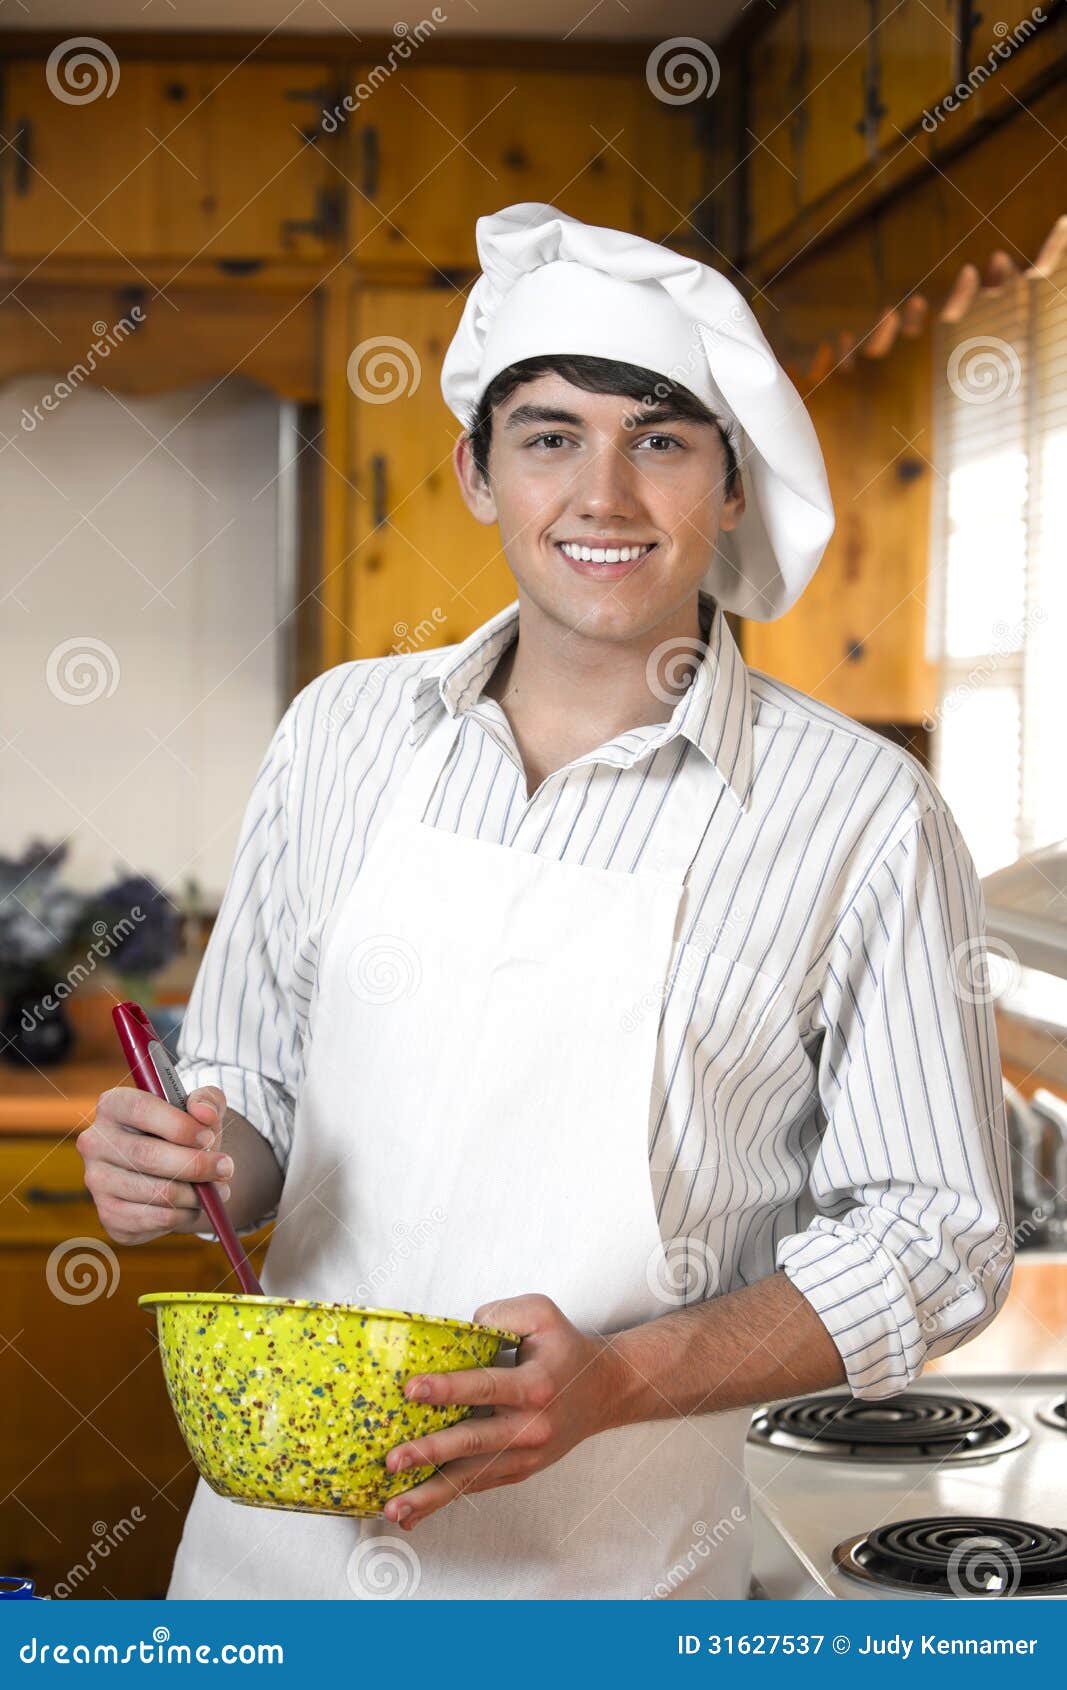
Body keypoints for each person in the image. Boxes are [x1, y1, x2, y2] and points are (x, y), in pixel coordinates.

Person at [80, 203, 1013, 1601]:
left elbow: (934, 1233)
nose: (605, 497)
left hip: (609, 1578)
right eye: (552, 435)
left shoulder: (864, 817)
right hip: (270, 1572)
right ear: (474, 469)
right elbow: (250, 1097)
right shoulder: (341, 733)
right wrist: (188, 1160)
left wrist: (618, 1378)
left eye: (663, 440)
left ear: (734, 483)